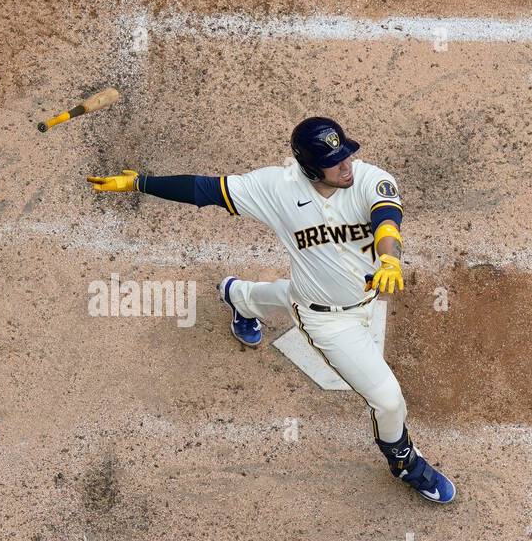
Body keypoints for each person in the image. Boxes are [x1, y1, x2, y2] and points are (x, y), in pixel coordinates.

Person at [86, 116, 456, 504]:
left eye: (347, 154)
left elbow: (386, 220)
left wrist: (390, 261)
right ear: (310, 167)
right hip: (327, 321)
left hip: (339, 292)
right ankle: (405, 464)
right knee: (388, 398)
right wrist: (139, 182)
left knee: (291, 295)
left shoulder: (368, 178)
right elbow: (204, 189)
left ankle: (238, 296)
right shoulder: (275, 188)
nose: (346, 165)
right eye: (335, 161)